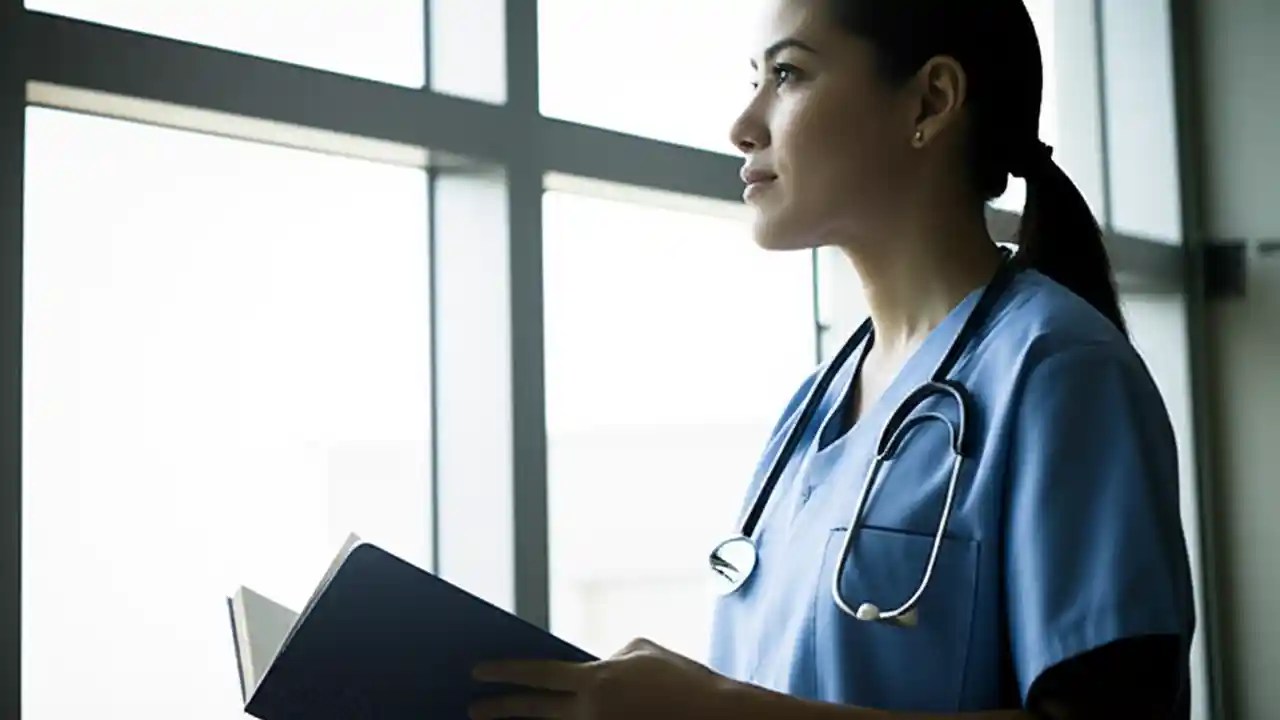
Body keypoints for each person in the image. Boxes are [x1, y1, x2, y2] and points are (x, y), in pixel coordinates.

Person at [468, 0, 1197, 717]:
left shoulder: (1058, 368)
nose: (743, 125)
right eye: (755, 79)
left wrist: (715, 711)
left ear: (930, 101)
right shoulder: (813, 407)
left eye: (787, 75)